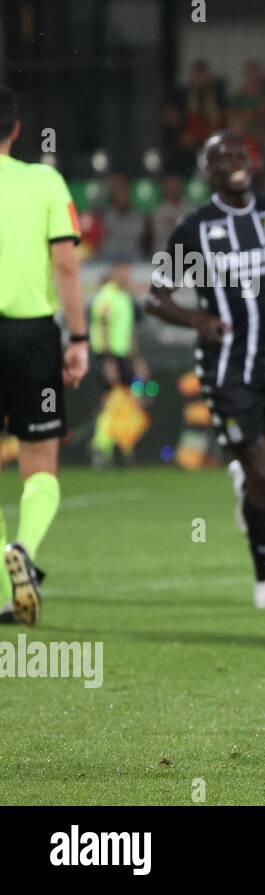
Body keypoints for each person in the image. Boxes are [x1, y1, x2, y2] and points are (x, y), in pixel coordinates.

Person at [147, 132, 265, 609]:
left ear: (252, 161)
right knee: (263, 475)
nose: (235, 163)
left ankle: (246, 480)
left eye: (241, 154)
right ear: (209, 172)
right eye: (222, 158)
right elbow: (156, 295)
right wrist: (196, 319)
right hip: (226, 372)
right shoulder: (195, 228)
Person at [0, 83, 90, 626]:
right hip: (32, 335)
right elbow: (66, 266)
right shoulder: (45, 181)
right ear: (15, 128)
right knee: (40, 465)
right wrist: (78, 340)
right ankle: (25, 551)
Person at [89, 260, 150, 468]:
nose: (127, 275)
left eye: (129, 271)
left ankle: (125, 445)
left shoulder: (125, 298)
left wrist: (137, 360)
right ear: (115, 272)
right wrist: (108, 361)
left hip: (123, 356)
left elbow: (128, 332)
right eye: (124, 271)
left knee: (133, 397)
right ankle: (101, 447)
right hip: (108, 356)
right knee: (110, 401)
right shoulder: (106, 296)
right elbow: (103, 326)